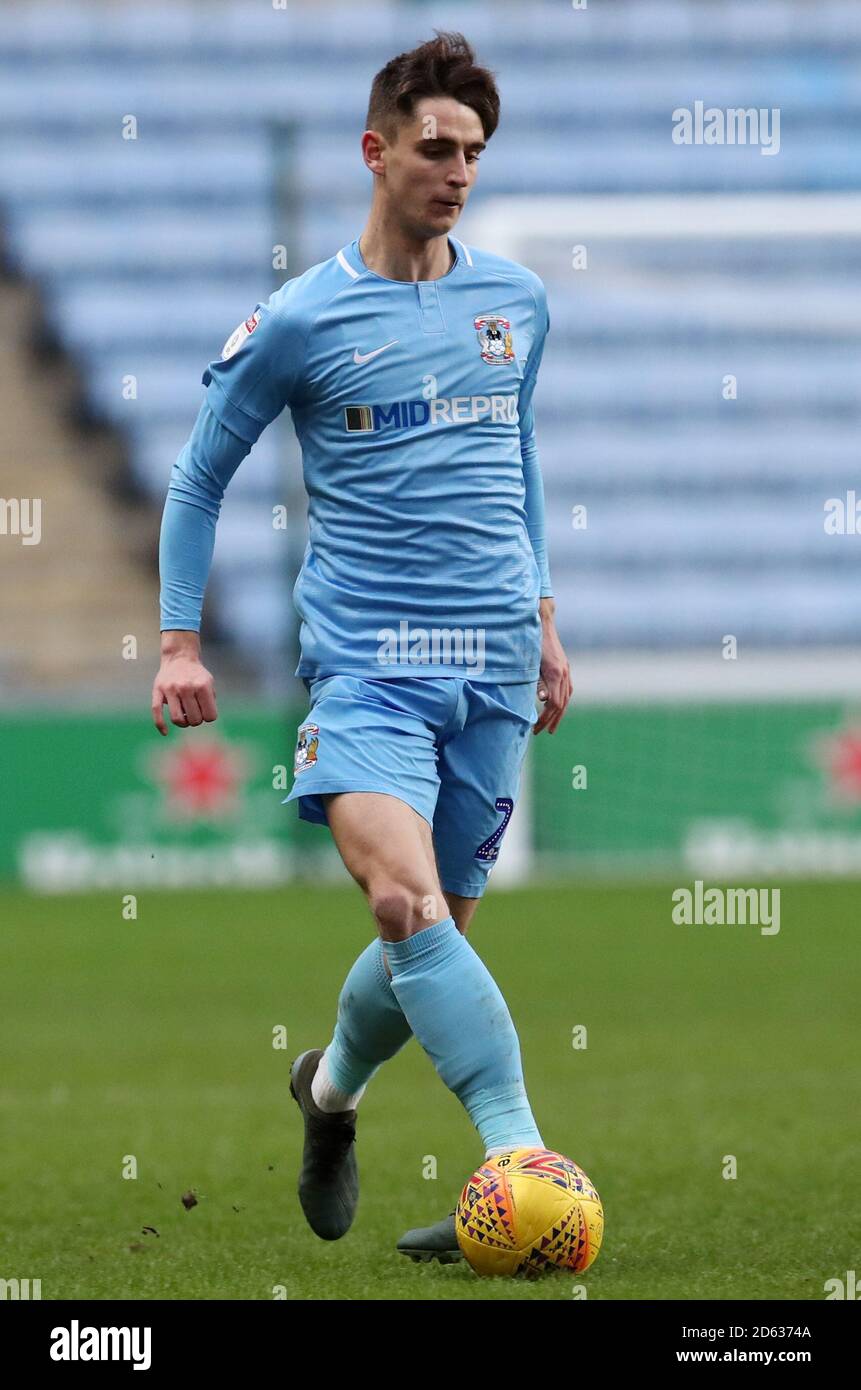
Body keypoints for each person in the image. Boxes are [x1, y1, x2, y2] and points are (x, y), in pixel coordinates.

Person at [153, 29, 572, 1263]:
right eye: (436, 147)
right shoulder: (300, 320)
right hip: (371, 665)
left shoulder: (517, 303)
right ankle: (520, 1164)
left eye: (475, 153)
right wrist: (180, 640)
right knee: (402, 899)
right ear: (376, 150)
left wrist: (544, 619)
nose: (457, 170)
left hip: (494, 663)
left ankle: (328, 1093)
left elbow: (521, 457)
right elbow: (196, 478)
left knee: (438, 927)